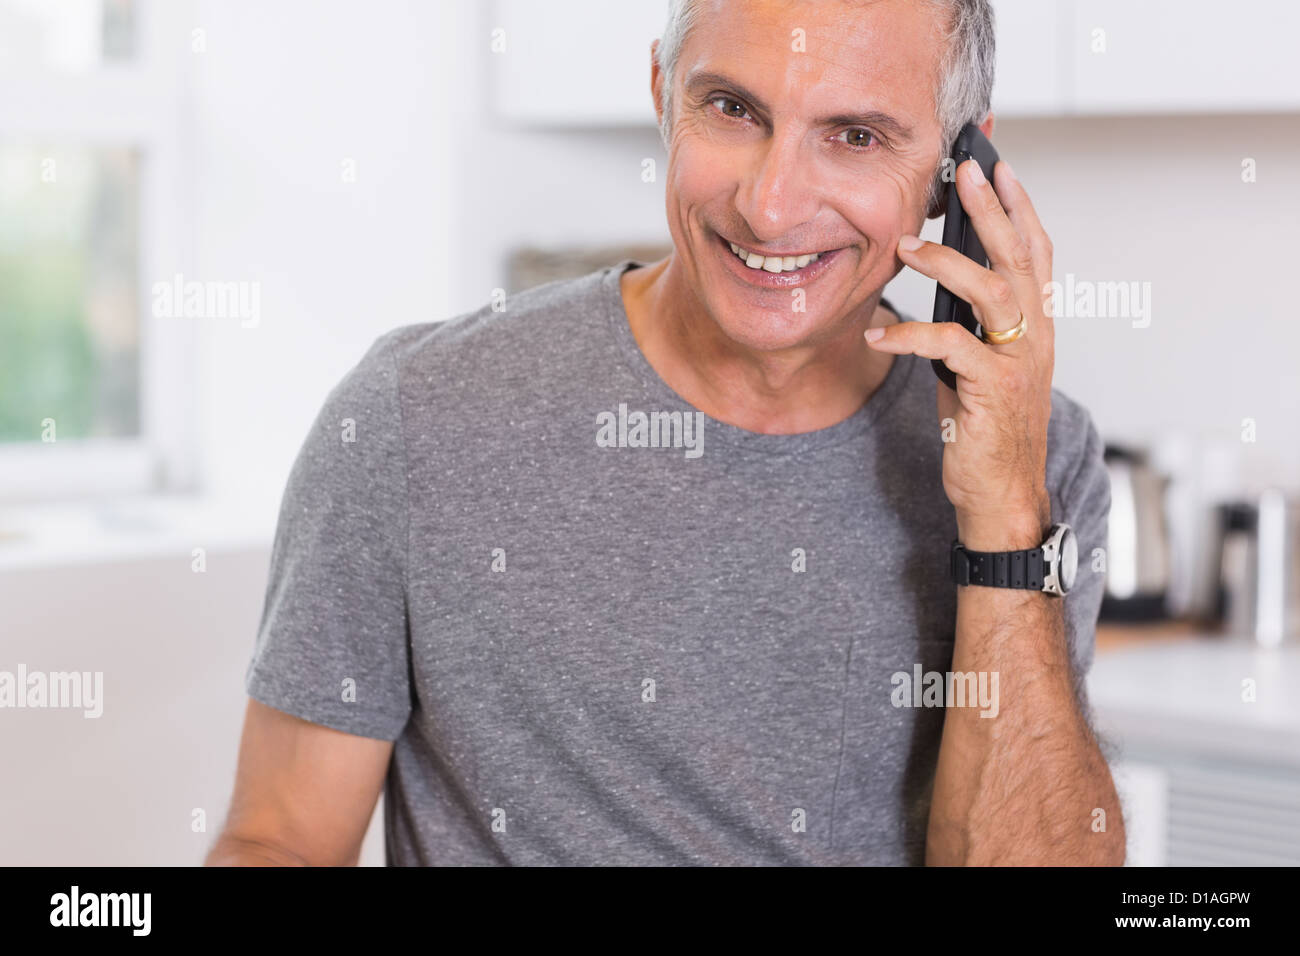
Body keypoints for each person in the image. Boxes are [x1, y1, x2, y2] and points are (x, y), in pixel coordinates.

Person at [206, 0, 1124, 866]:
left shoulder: (1038, 463)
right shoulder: (411, 414)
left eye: (855, 137)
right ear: (661, 96)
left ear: (956, 172)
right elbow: (280, 842)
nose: (771, 205)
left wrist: (1004, 518)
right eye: (731, 108)